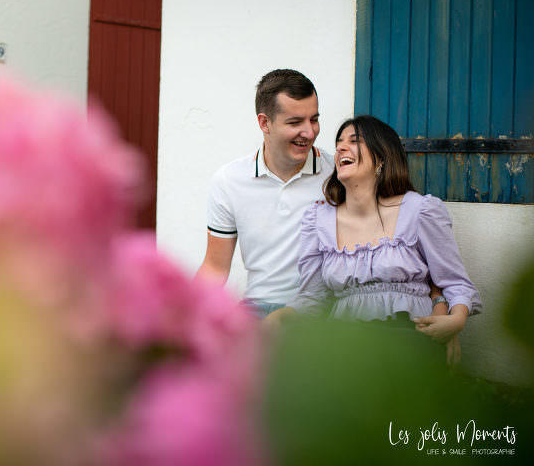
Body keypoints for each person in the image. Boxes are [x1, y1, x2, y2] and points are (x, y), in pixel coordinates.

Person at [266, 115, 482, 364]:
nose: (340, 148)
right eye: (338, 143)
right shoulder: (318, 219)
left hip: (411, 344)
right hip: (345, 347)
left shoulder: (420, 210)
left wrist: (455, 321)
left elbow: (455, 283)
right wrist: (279, 316)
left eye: (354, 140)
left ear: (381, 156)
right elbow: (312, 297)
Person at [196, 69, 334, 317]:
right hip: (256, 310)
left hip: (320, 311)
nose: (310, 132)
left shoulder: (337, 174)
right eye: (295, 122)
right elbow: (215, 268)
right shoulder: (229, 181)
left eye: (314, 119)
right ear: (264, 123)